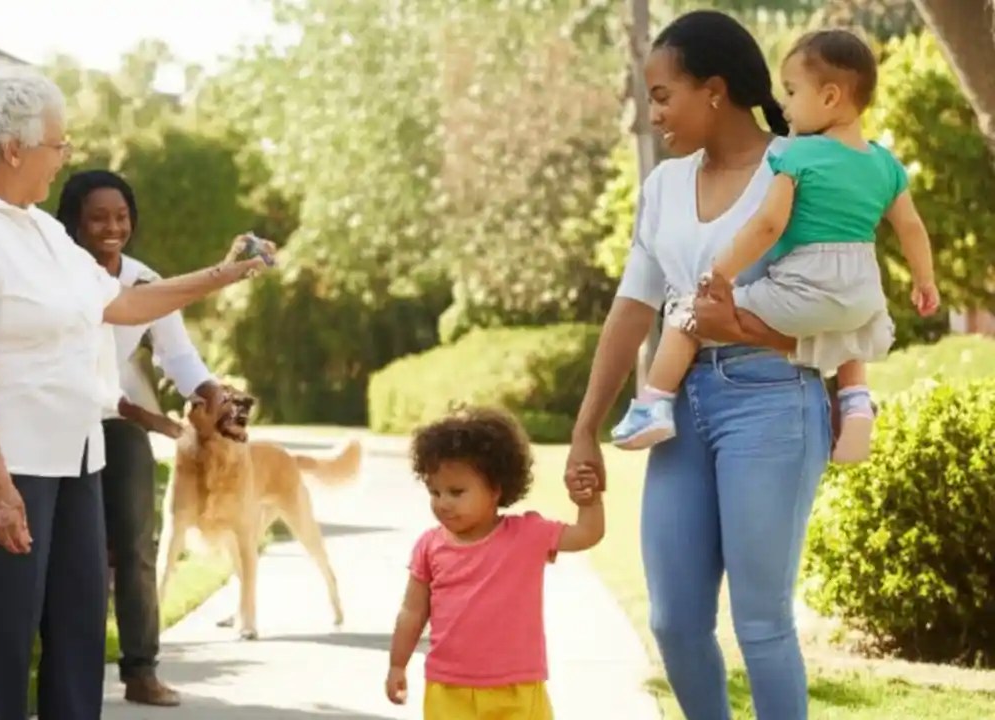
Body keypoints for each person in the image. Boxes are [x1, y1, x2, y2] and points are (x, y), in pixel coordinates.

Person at [0, 67, 273, 720]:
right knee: (5, 638)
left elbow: (126, 303)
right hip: (2, 462)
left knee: (80, 628)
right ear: (15, 149)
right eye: (58, 142)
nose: (66, 155)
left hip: (74, 453)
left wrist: (228, 271)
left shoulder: (42, 231)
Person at [563, 11, 833, 720]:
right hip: (678, 404)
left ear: (714, 91)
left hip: (773, 400)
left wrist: (742, 324)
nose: (653, 115)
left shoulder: (798, 172)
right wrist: (586, 427)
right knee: (675, 623)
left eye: (661, 95)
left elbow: (848, 311)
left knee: (761, 623)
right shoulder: (663, 188)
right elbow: (631, 309)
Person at [609, 28, 939, 463]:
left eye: (791, 90)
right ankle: (856, 401)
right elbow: (911, 227)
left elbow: (766, 226)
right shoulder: (884, 163)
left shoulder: (796, 156)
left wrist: (720, 273)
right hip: (862, 290)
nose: (782, 104)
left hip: (806, 281)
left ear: (829, 98)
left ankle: (653, 404)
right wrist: (925, 281)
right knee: (846, 330)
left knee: (690, 314)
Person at [55, 169, 225, 706]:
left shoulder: (145, 280)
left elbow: (177, 352)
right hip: (57, 420)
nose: (112, 227)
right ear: (75, 223)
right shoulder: (55, 273)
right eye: (98, 217)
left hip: (119, 426)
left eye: (121, 216)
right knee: (69, 552)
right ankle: (64, 671)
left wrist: (206, 387)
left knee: (134, 545)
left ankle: (141, 669)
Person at [386, 407, 604, 720]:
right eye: (434, 491)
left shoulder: (528, 534)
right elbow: (413, 610)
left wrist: (590, 501)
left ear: (496, 489)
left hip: (517, 688)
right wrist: (397, 663)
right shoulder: (429, 546)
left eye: (456, 492)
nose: (442, 502)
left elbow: (587, 534)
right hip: (449, 689)